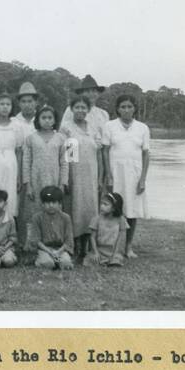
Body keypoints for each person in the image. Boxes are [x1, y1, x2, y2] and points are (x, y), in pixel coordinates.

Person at [60, 95, 105, 262]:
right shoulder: (67, 128)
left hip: (91, 176)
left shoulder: (93, 128)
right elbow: (68, 157)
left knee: (90, 210)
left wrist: (100, 178)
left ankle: (87, 246)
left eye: (83, 107)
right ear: (72, 109)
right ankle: (76, 246)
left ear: (88, 110)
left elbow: (99, 154)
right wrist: (67, 179)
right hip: (75, 175)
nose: (80, 110)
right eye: (77, 107)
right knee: (76, 210)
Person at [105, 94, 150, 258]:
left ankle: (128, 247)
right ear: (117, 109)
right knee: (113, 210)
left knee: (132, 211)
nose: (126, 110)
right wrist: (108, 175)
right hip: (116, 174)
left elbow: (146, 154)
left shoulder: (143, 128)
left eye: (129, 106)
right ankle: (111, 246)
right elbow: (104, 151)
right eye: (123, 107)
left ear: (134, 108)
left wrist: (143, 179)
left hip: (134, 174)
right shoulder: (109, 126)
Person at [23, 105, 65, 210]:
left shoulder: (61, 138)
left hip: (54, 178)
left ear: (55, 120)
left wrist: (63, 184)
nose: (47, 120)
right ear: (38, 119)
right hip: (36, 179)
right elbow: (26, 162)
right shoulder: (31, 138)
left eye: (50, 118)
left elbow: (64, 162)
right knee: (35, 209)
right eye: (43, 118)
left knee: (53, 207)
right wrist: (28, 185)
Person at [14, 81, 41, 231]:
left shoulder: (43, 119)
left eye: (30, 101)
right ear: (19, 103)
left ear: (36, 102)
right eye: (23, 101)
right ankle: (19, 235)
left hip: (38, 165)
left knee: (35, 199)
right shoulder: (14, 122)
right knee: (19, 201)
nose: (27, 104)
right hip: (19, 163)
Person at [30, 184, 75, 270]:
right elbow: (36, 240)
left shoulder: (66, 218)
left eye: (54, 202)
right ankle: (47, 260)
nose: (51, 205)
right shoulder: (37, 218)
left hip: (60, 249)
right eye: (47, 203)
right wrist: (49, 251)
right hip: (44, 249)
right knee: (47, 263)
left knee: (66, 264)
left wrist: (59, 252)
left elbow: (68, 240)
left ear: (59, 204)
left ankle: (58, 260)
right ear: (42, 204)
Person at [89, 192, 128, 267]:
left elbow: (121, 239)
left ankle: (113, 259)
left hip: (114, 251)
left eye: (105, 204)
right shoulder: (96, 219)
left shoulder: (121, 220)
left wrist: (115, 254)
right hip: (100, 251)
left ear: (114, 208)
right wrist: (95, 252)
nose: (101, 206)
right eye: (101, 203)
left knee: (116, 260)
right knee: (92, 260)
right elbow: (92, 237)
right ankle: (102, 260)